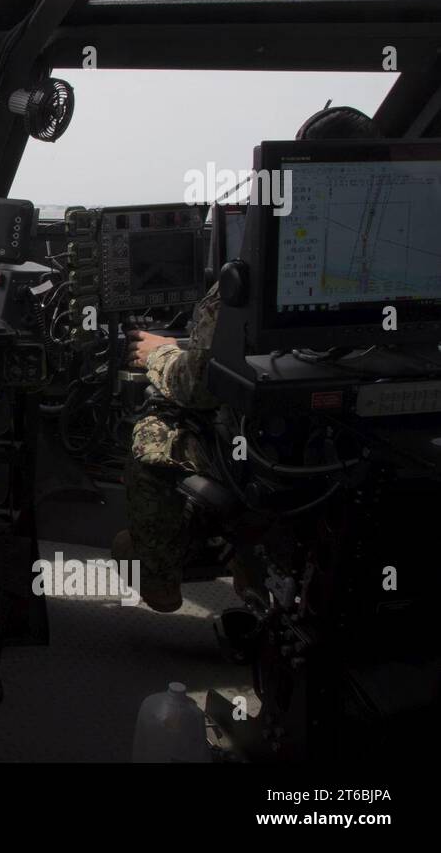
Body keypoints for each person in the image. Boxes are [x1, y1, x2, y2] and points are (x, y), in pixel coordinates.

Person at [114, 105, 383, 612]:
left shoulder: (251, 276)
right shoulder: (392, 266)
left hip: (268, 454)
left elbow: (196, 386)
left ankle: (160, 575)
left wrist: (158, 354)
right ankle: (250, 562)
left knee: (153, 433)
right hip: (349, 450)